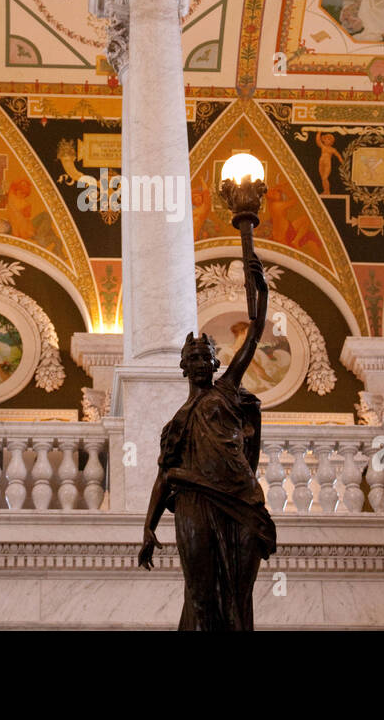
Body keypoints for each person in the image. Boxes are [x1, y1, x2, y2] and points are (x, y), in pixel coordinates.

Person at [138, 253, 277, 630]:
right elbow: (164, 476)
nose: (200, 362)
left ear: (216, 364)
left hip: (241, 499)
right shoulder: (175, 425)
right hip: (194, 499)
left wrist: (260, 288)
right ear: (184, 366)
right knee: (199, 593)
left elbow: (255, 332)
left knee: (239, 596)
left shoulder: (227, 392)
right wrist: (148, 527)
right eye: (193, 358)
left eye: (206, 357)